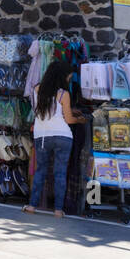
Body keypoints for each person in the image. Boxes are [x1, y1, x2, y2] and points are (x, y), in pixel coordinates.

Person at [24, 61, 85, 218]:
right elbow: (69, 120)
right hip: (62, 137)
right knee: (60, 173)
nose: (68, 80)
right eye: (68, 77)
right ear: (62, 76)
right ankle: (58, 210)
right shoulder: (64, 94)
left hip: (42, 136)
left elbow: (43, 111)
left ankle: (32, 206)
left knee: (40, 171)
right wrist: (80, 119)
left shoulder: (35, 89)